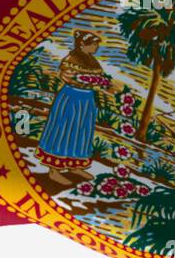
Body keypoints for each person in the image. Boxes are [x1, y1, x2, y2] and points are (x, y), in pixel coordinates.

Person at [36, 30, 119, 184]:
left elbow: (101, 79)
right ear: (82, 44)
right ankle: (55, 170)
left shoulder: (92, 61)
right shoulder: (71, 58)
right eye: (94, 44)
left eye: (97, 44)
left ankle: (75, 166)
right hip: (71, 97)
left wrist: (107, 87)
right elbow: (67, 76)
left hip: (86, 100)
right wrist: (92, 83)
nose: (96, 47)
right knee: (64, 129)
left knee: (81, 131)